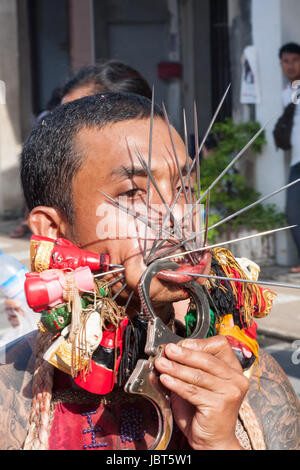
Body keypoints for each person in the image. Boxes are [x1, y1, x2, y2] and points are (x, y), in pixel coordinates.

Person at [1, 93, 299, 451]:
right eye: (133, 193)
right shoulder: (14, 389)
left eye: (184, 188)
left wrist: (219, 442)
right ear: (53, 229)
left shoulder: (250, 379)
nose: (176, 217)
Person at [278, 43, 300, 272]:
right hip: (296, 161)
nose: (290, 65)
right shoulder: (288, 93)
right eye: (286, 61)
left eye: (295, 60)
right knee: (293, 211)